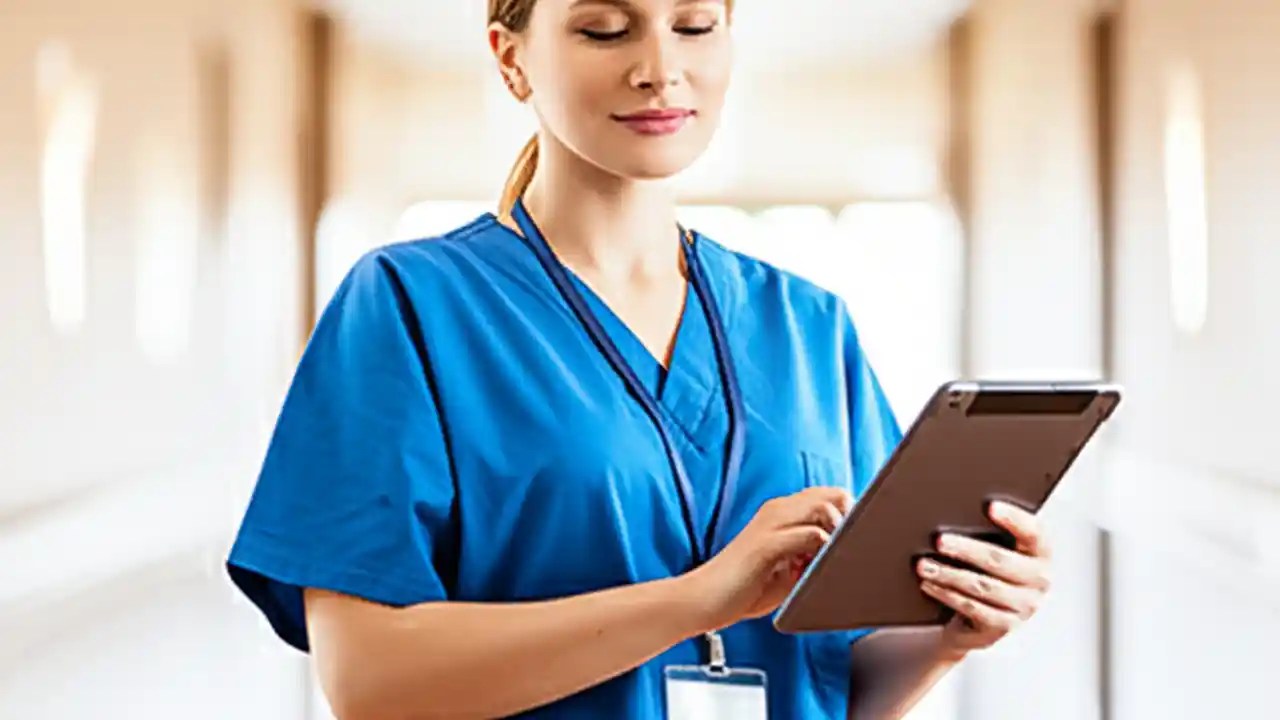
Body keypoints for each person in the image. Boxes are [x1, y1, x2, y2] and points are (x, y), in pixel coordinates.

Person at [224, 0, 1055, 717]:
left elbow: (831, 682)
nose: (661, 69)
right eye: (605, 30)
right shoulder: (410, 305)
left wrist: (946, 636)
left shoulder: (806, 325)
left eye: (694, 26)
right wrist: (700, 600)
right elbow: (369, 680)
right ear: (511, 58)